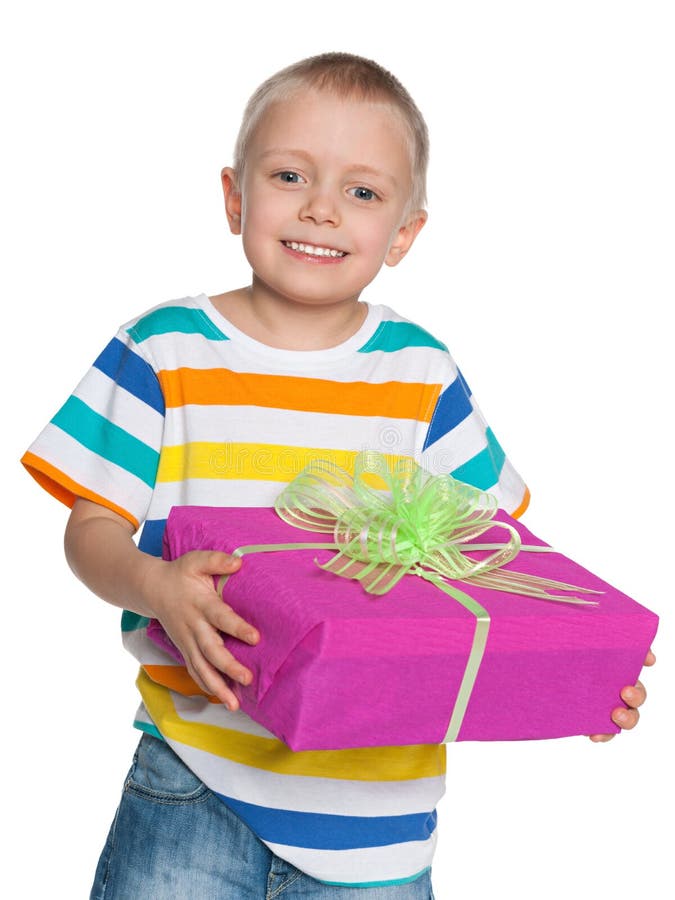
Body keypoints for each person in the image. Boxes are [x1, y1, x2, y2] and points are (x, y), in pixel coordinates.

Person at [21, 52, 653, 899]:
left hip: (378, 824)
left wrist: (572, 672)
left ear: (403, 234)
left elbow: (494, 558)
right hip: (196, 780)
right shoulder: (163, 349)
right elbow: (89, 530)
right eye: (290, 175)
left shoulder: (419, 371)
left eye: (362, 191)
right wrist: (157, 584)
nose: (321, 207)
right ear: (234, 196)